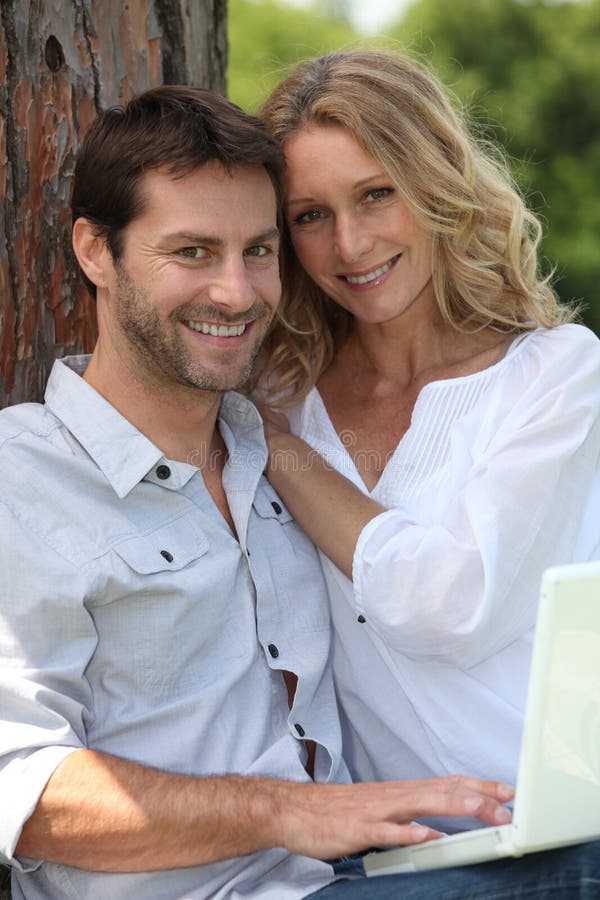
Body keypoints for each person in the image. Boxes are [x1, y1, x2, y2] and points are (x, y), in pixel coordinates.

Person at [2, 82, 584, 900]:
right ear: (96, 251)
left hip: (366, 875)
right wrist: (288, 810)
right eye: (192, 252)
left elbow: (442, 606)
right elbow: (16, 788)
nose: (237, 294)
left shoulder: (270, 447)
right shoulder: (22, 477)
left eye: (259, 250)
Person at [257, 48, 600, 819]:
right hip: (388, 857)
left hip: (564, 831)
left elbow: (455, 606)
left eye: (377, 195)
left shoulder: (553, 376)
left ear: (435, 181)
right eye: (311, 216)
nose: (350, 245)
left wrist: (278, 450)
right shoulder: (278, 393)